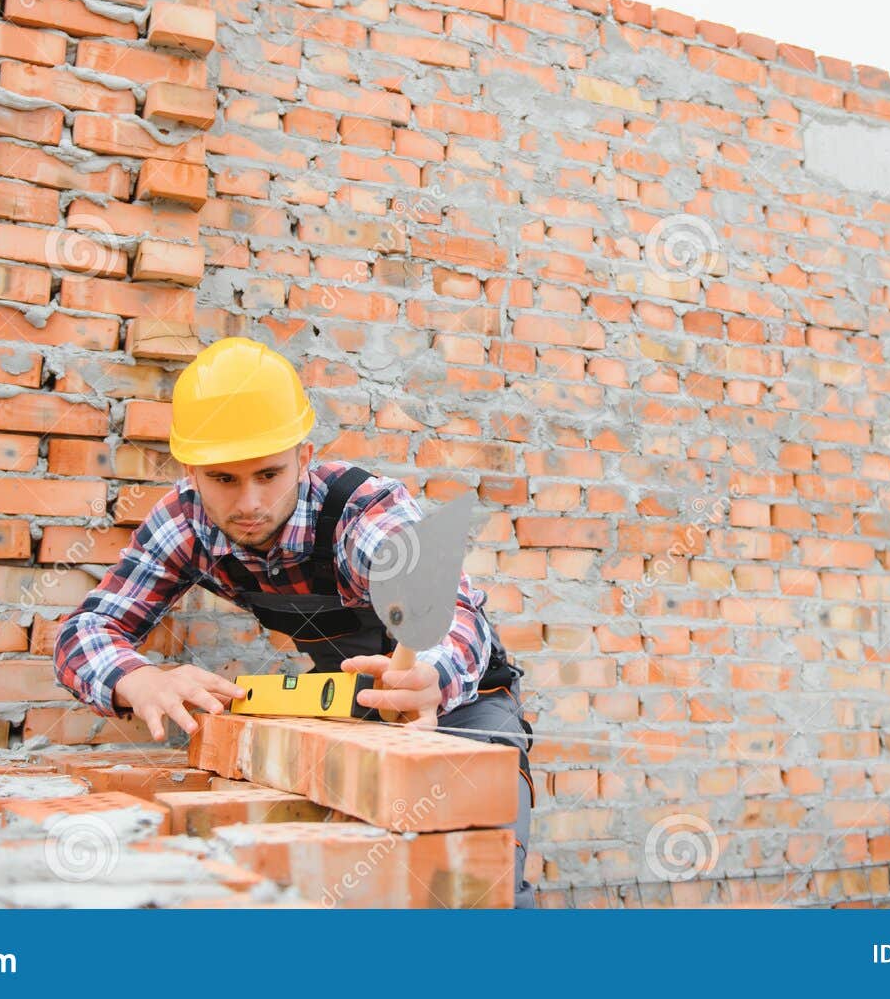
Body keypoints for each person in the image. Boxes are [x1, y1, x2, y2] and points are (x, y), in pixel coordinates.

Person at [53, 336, 536, 908]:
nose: (249, 503)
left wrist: (431, 672)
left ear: (304, 458)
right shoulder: (183, 524)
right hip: (347, 710)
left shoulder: (363, 510)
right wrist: (138, 678)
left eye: (268, 474)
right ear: (191, 471)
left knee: (472, 891)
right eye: (223, 480)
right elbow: (83, 633)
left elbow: (454, 611)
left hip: (459, 703)